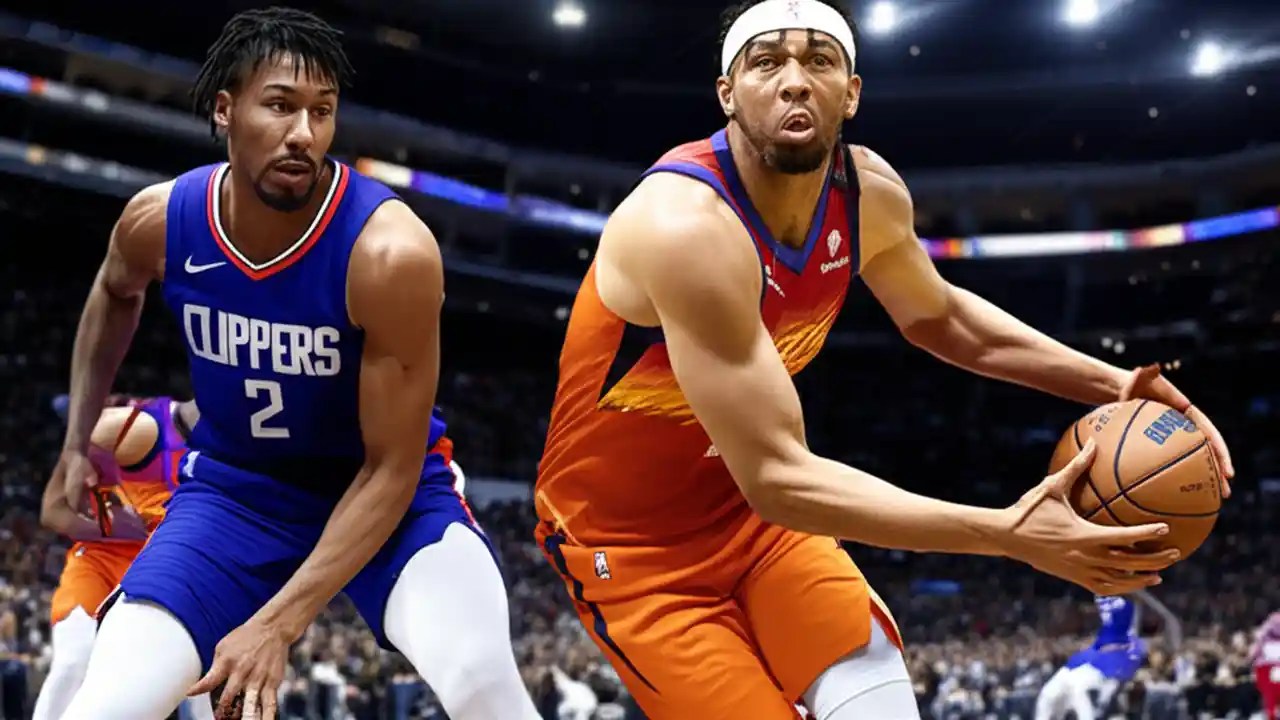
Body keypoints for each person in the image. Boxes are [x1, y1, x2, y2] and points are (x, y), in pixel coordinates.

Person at [532, 1, 1234, 718]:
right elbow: (778, 476)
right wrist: (1005, 535)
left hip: (757, 526)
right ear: (727, 93)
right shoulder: (683, 227)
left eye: (819, 61)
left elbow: (945, 318)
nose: (795, 81)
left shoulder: (869, 194)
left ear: (852, 92)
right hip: (636, 550)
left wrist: (1120, 384)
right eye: (767, 61)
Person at [53, 8, 537, 719]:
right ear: (226, 111)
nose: (303, 134)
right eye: (280, 105)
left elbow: (392, 468)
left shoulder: (389, 253)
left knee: (482, 685)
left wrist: (278, 623)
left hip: (387, 498)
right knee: (104, 707)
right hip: (234, 493)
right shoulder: (161, 220)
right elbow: (112, 295)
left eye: (323, 112)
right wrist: (76, 443)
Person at [35, 395, 213, 720]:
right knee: (74, 661)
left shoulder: (170, 438)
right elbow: (53, 513)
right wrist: (111, 526)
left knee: (200, 673)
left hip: (159, 565)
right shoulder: (95, 446)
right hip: (98, 562)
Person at [1034, 592, 1181, 720]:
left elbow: (1171, 624)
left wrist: (1146, 599)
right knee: (1048, 695)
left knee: (1079, 692)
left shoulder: (1139, 647)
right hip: (1085, 663)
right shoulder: (1122, 629)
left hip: (1100, 673)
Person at [1253, 611, 1280, 720]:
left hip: (1268, 667)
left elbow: (1254, 653)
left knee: (1270, 696)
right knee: (1270, 695)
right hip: (1267, 667)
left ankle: (1271, 713)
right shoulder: (1264, 635)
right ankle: (1271, 713)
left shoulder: (1264, 634)